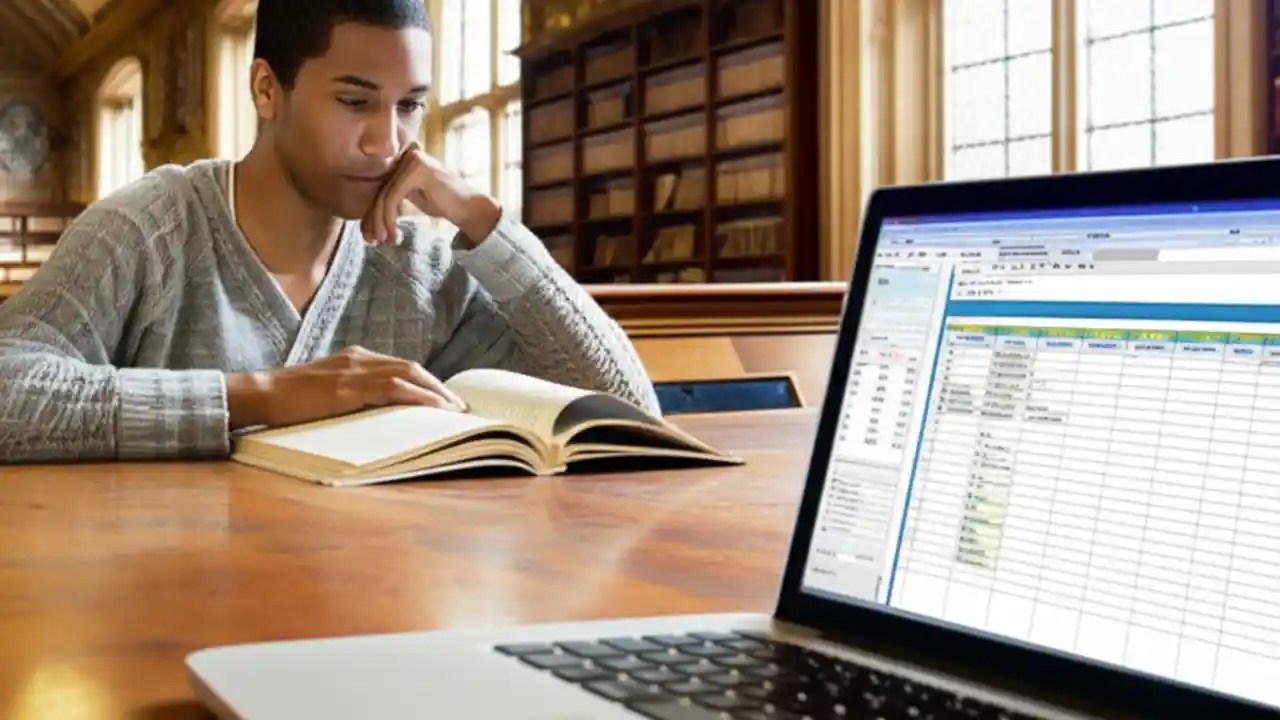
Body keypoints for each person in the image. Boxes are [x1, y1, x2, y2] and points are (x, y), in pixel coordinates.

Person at [0, 0, 658, 464]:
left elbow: (631, 413)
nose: (388, 140)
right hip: (165, 621)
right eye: (355, 101)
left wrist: (481, 219)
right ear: (266, 90)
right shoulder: (146, 230)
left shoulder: (424, 267)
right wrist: (265, 397)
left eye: (410, 106)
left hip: (367, 620)